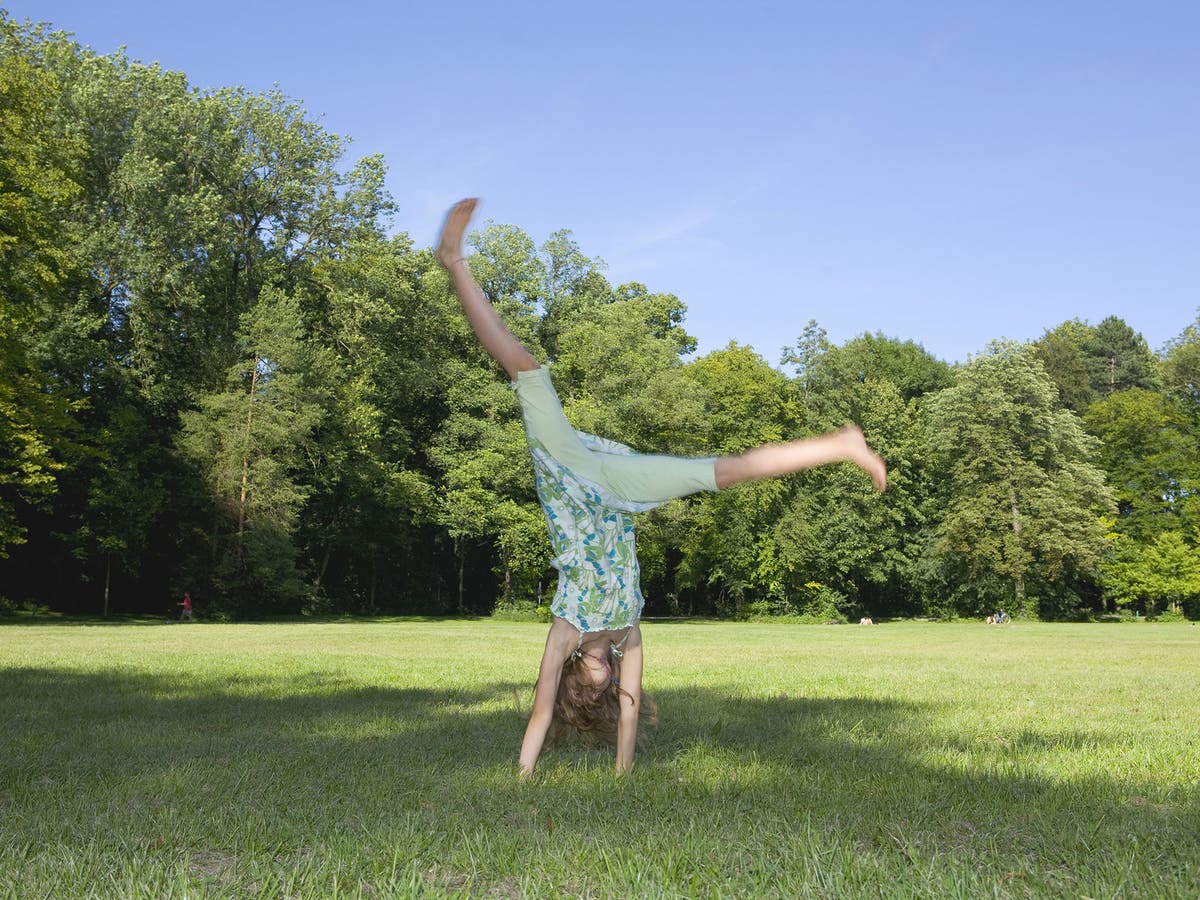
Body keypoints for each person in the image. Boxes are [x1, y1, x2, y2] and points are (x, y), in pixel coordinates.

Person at [437, 199, 887, 776]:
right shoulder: (627, 633)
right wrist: (622, 778)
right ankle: (841, 444)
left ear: (575, 672)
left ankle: (455, 262)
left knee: (527, 369)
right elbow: (629, 711)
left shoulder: (566, 628)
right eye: (593, 699)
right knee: (717, 471)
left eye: (581, 693)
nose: (593, 695)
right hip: (614, 483)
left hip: (572, 477)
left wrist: (520, 777)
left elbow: (539, 711)